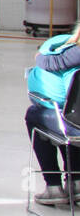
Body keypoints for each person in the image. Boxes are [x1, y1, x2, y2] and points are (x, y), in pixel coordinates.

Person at [27, 24, 80, 206]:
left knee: (37, 115)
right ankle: (76, 181)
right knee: (70, 115)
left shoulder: (75, 53)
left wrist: (39, 57)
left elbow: (53, 62)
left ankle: (54, 186)